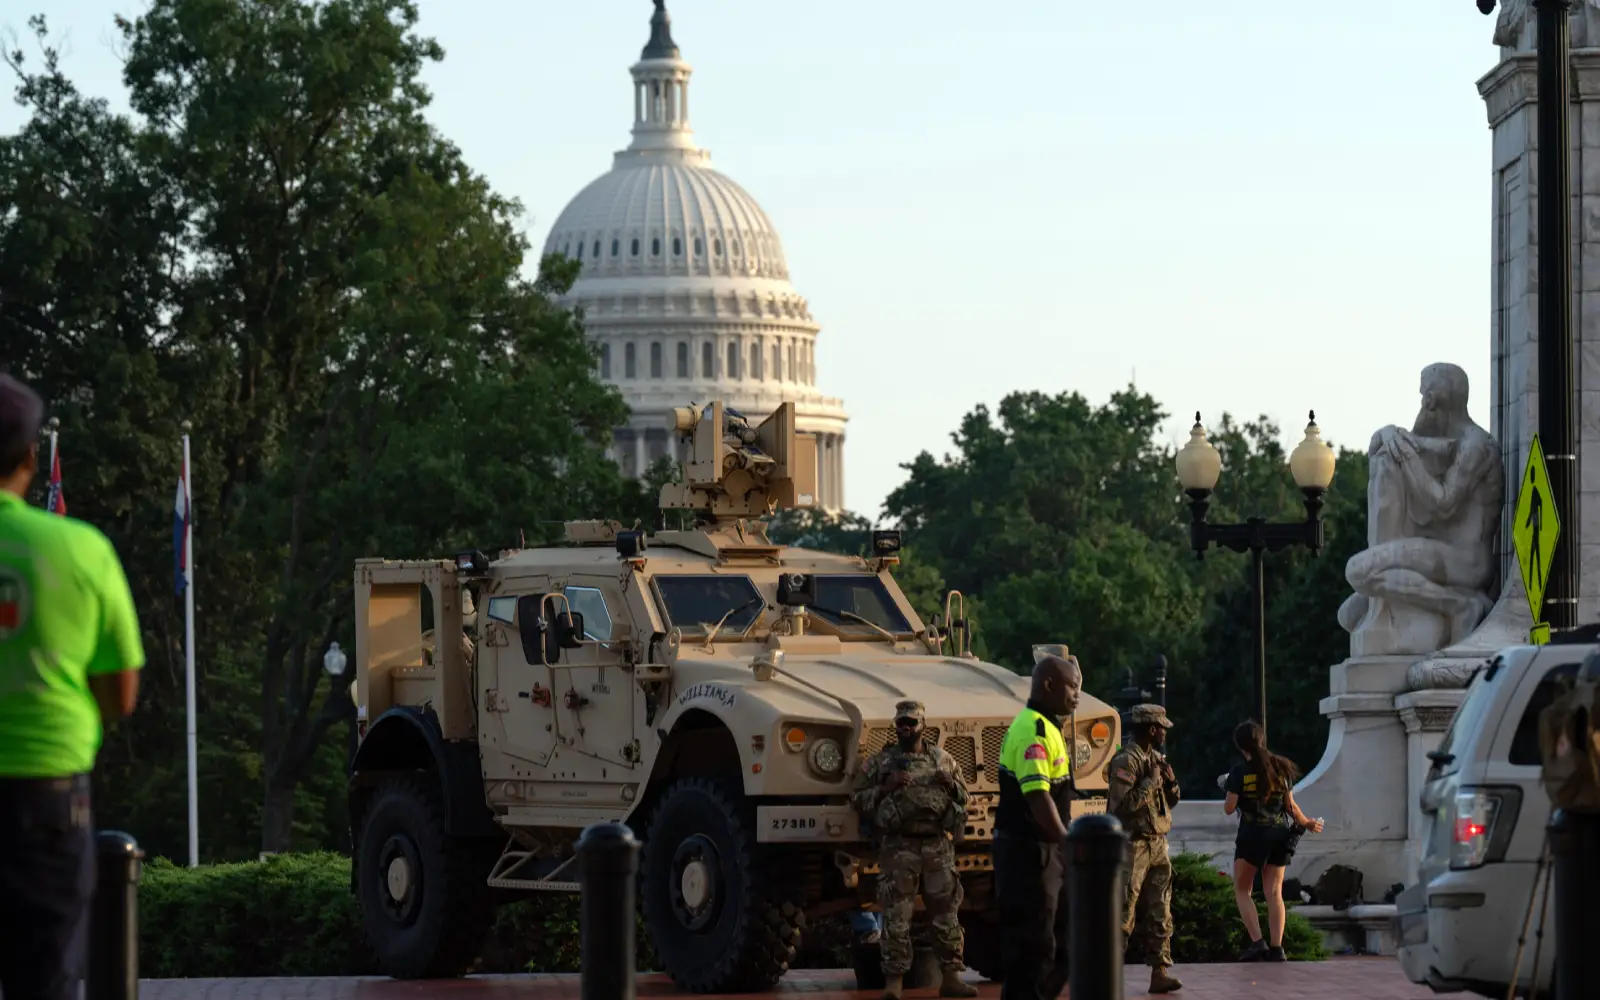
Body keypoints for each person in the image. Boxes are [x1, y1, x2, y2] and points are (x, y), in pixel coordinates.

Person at [0, 374, 145, 1000]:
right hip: (49, 803)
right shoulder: (82, 550)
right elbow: (121, 695)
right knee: (48, 981)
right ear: (33, 457)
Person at [849, 700, 977, 1000]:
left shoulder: (943, 759)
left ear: (923, 726)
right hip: (899, 846)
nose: (905, 728)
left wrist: (952, 785)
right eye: (901, 724)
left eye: (911, 723)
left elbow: (965, 798)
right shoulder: (882, 762)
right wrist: (884, 787)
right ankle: (894, 983)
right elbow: (856, 798)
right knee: (896, 915)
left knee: (946, 912)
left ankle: (951, 977)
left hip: (937, 845)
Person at [995, 653, 1080, 1000]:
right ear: (1048, 685)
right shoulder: (1032, 730)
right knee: (1034, 950)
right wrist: (1067, 842)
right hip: (1028, 855)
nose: (1077, 694)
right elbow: (1037, 796)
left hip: (1046, 853)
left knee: (1067, 945)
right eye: (1072, 687)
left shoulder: (1050, 725)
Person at [1222, 720, 1324, 962]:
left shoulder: (1239, 771)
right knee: (1274, 892)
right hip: (1280, 833)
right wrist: (1307, 822)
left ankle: (1258, 943)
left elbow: (1229, 808)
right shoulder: (1280, 767)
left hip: (1252, 835)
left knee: (1242, 889)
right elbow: (1290, 807)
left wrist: (1227, 789)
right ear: (1262, 740)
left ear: (1240, 745)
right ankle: (1278, 948)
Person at [1104, 704, 1183, 994]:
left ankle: (1159, 972)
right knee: (1124, 911)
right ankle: (1108, 972)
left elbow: (1167, 803)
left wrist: (1170, 781)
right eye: (1162, 727)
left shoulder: (1154, 759)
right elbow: (1120, 808)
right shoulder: (1127, 761)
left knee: (1160, 909)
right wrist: (1149, 782)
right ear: (1151, 729)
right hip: (1133, 845)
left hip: (1157, 844)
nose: (1164, 732)